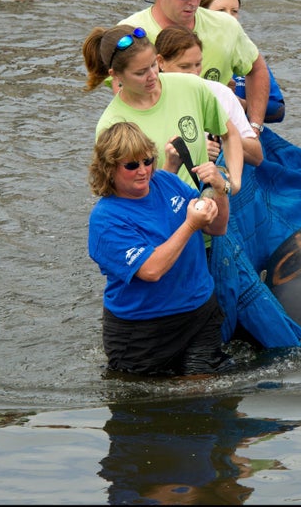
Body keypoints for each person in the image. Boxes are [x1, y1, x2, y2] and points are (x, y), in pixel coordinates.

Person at [87, 121, 232, 376]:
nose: (143, 171)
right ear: (109, 170)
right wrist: (189, 225)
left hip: (199, 312)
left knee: (203, 394)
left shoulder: (165, 181)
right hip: (142, 331)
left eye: (148, 161)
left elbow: (217, 228)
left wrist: (219, 191)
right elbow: (151, 270)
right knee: (148, 407)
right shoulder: (106, 219)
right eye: (132, 165)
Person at [82, 24, 240, 220]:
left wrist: (231, 184)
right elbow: (124, 199)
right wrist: (169, 169)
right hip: (162, 230)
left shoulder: (191, 86)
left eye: (153, 65)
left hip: (209, 219)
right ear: (115, 75)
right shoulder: (111, 125)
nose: (152, 76)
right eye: (140, 73)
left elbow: (230, 134)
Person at [118, 0, 271, 136]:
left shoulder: (226, 26)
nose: (193, 1)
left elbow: (257, 69)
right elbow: (125, 100)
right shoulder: (129, 32)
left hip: (223, 137)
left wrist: (255, 127)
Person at [153, 24, 263, 166]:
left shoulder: (220, 93)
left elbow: (256, 155)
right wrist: (196, 146)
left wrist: (225, 139)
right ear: (160, 62)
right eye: (184, 67)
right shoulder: (146, 98)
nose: (194, 73)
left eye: (198, 64)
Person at [200, 0, 285, 123]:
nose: (229, 17)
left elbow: (278, 110)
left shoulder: (245, 50)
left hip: (244, 126)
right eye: (221, 11)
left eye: (234, 11)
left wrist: (241, 104)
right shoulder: (190, 52)